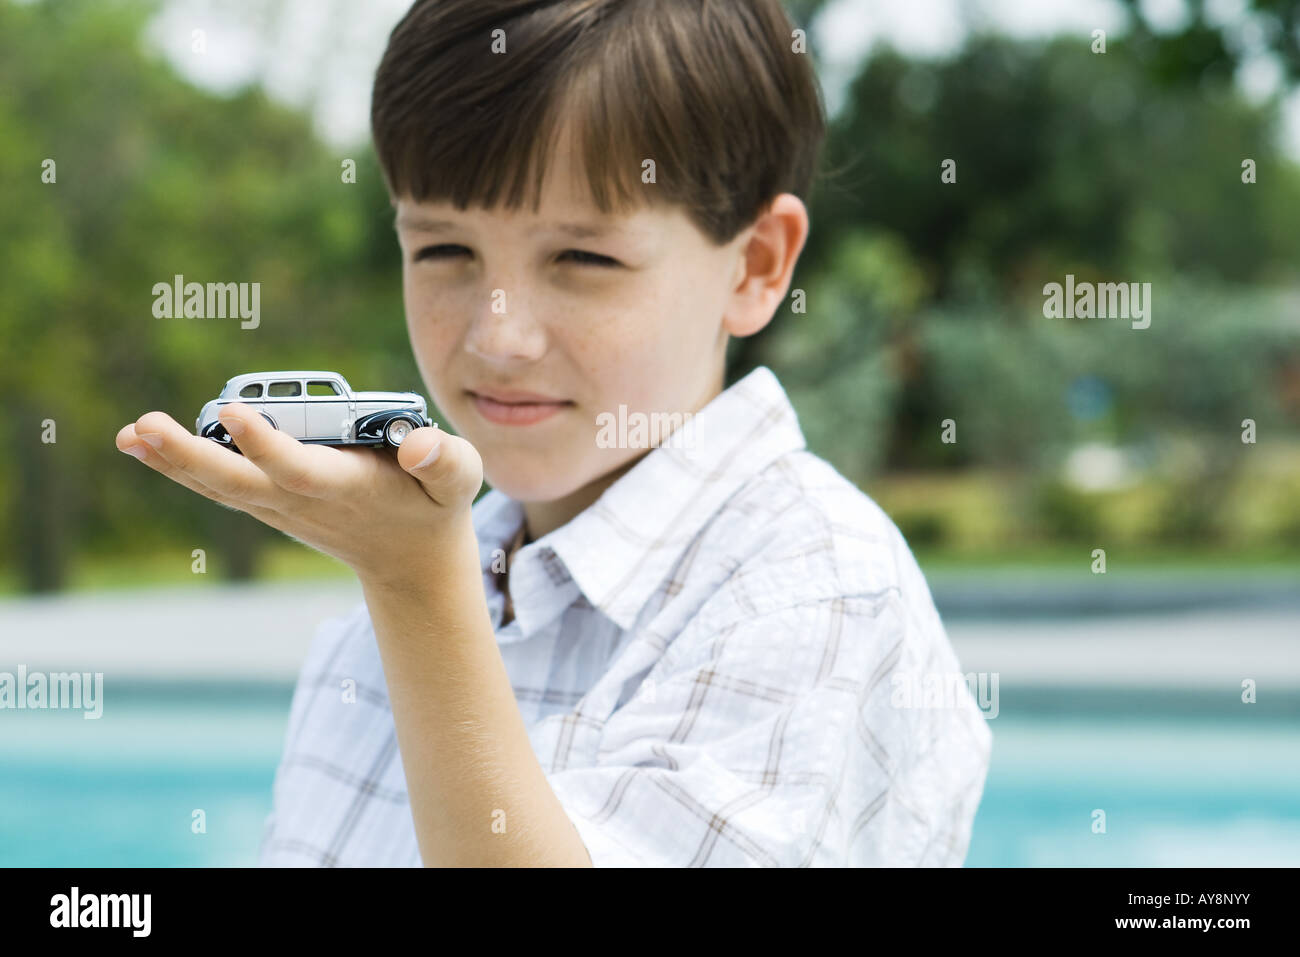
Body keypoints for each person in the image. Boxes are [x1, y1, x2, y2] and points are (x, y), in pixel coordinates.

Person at [117, 0, 991, 866]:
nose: (499, 336)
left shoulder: (813, 592)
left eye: (584, 259)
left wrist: (416, 587)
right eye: (444, 252)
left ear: (757, 264)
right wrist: (409, 586)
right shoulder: (371, 632)